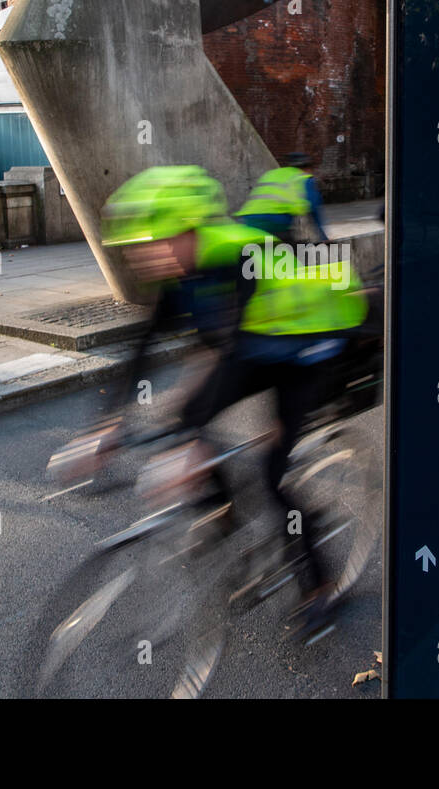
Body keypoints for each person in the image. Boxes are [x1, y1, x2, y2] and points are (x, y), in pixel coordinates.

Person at [92, 165, 370, 637]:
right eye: (139, 247)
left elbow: (234, 349)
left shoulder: (245, 256)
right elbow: (143, 345)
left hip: (308, 350)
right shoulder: (181, 271)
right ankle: (225, 512)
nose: (143, 256)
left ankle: (320, 587)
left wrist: (191, 446)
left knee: (271, 472)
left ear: (192, 230)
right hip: (258, 348)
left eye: (155, 242)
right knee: (188, 422)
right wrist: (109, 425)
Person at [234, 151, 331, 242]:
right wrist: (323, 237)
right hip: (276, 223)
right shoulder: (304, 178)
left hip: (249, 222)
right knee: (293, 252)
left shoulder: (271, 174)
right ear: (307, 168)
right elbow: (313, 210)